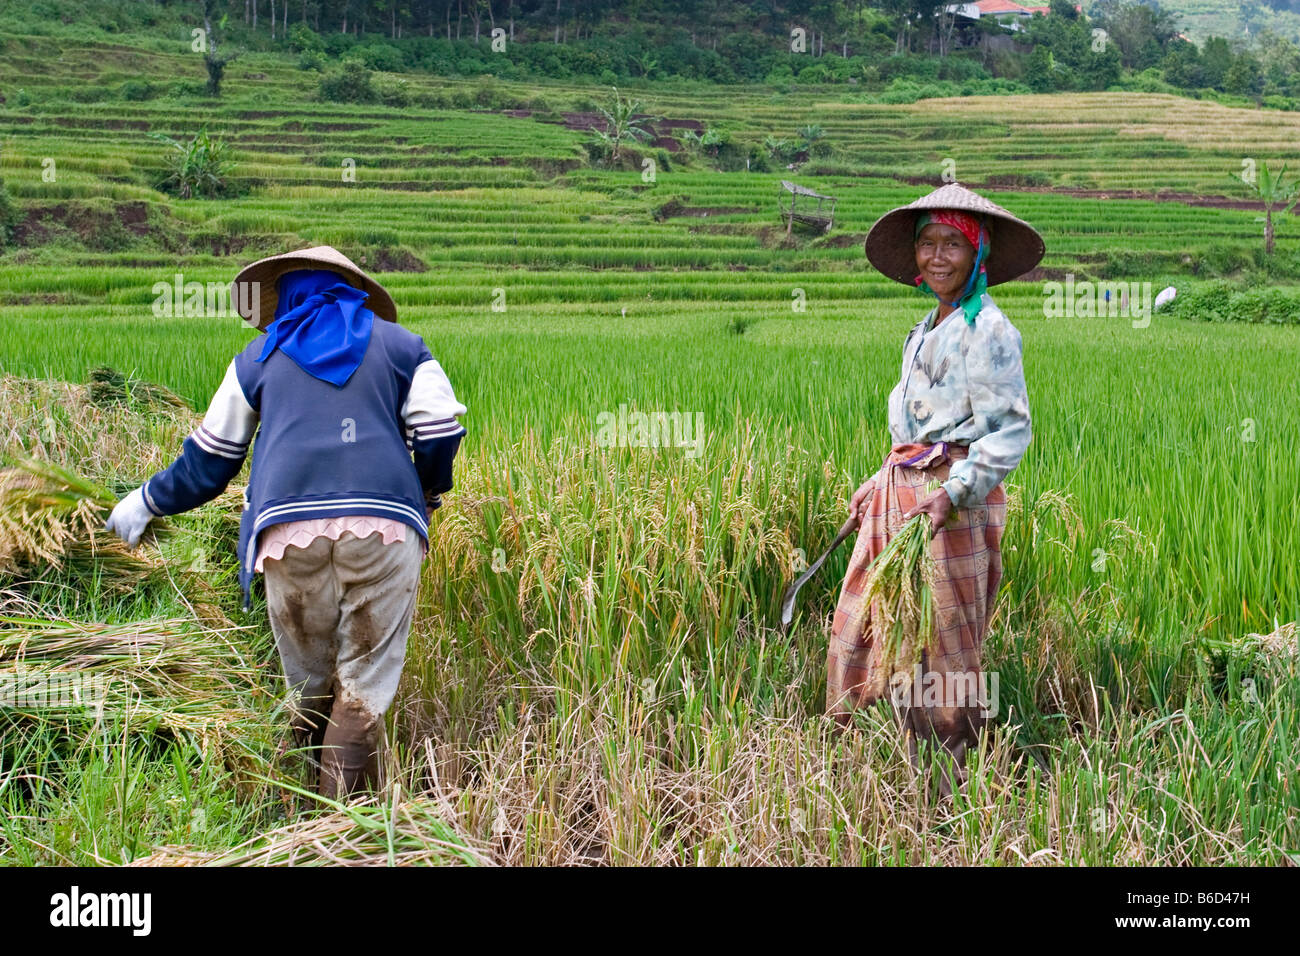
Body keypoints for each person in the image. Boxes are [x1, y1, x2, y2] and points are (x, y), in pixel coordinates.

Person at [106, 246, 467, 799]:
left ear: (287, 296)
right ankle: (340, 829)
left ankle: (291, 809)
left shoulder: (257, 358)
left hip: (286, 535)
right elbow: (440, 428)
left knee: (307, 685)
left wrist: (146, 501)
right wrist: (425, 489)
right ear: (353, 293)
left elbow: (210, 462)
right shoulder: (402, 347)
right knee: (361, 690)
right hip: (383, 530)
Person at [826, 183, 1043, 797]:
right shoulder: (925, 328)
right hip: (903, 496)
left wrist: (955, 491)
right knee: (873, 622)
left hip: (953, 505)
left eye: (954, 243)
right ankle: (887, 750)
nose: (937, 256)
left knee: (944, 641)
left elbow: (1009, 431)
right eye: (927, 244)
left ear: (978, 254)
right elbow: (915, 432)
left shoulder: (990, 330)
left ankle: (949, 778)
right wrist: (878, 481)